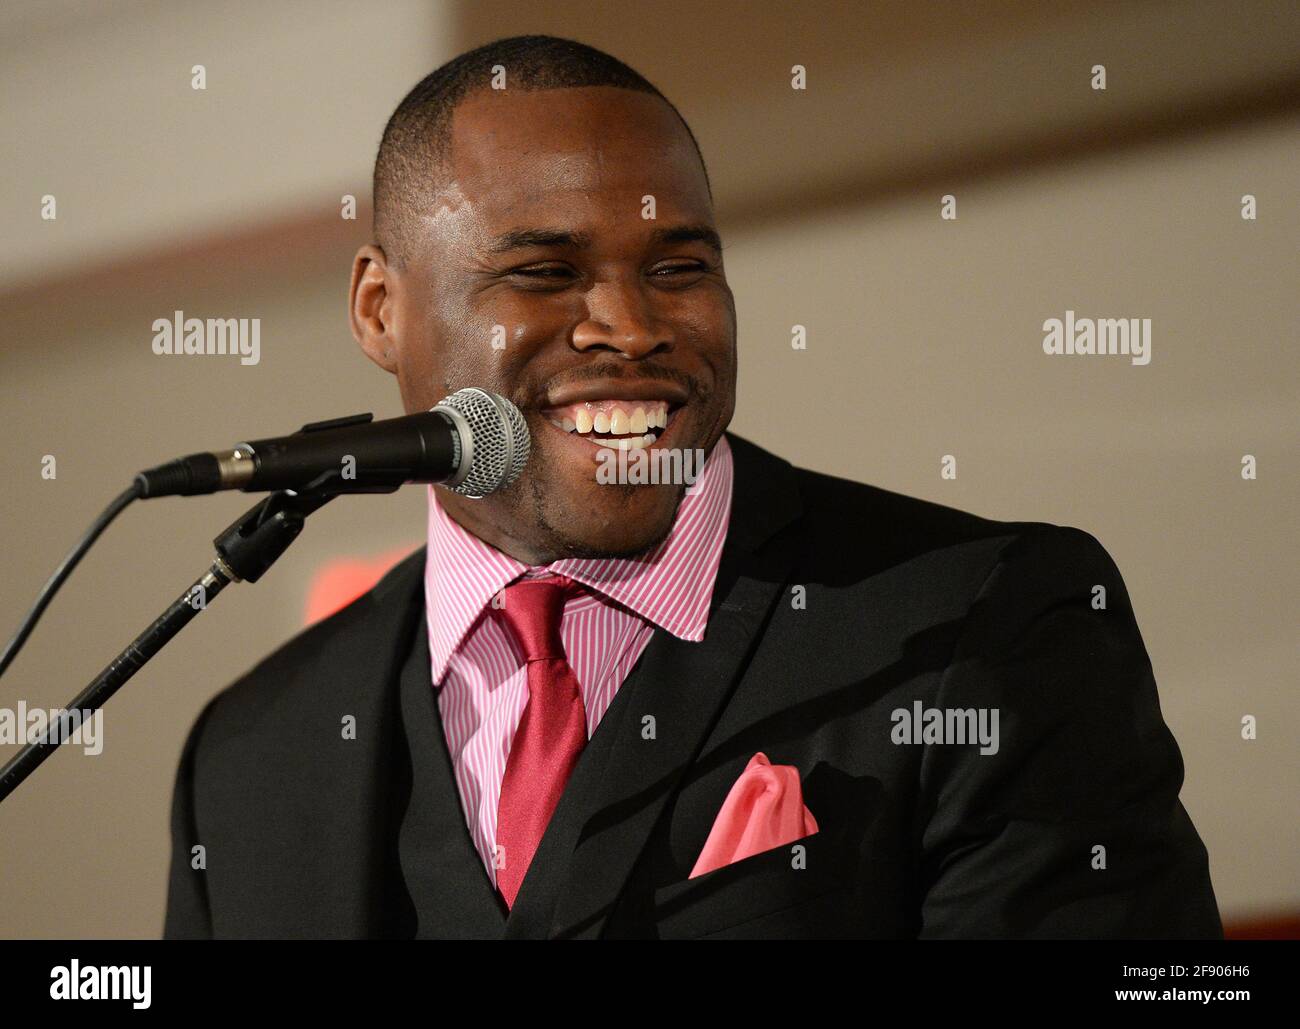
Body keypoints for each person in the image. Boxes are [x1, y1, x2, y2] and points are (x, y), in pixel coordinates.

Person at [163, 34, 1222, 939]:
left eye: (677, 268)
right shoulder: (254, 754)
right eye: (543, 271)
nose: (631, 329)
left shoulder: (989, 623)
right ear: (378, 309)